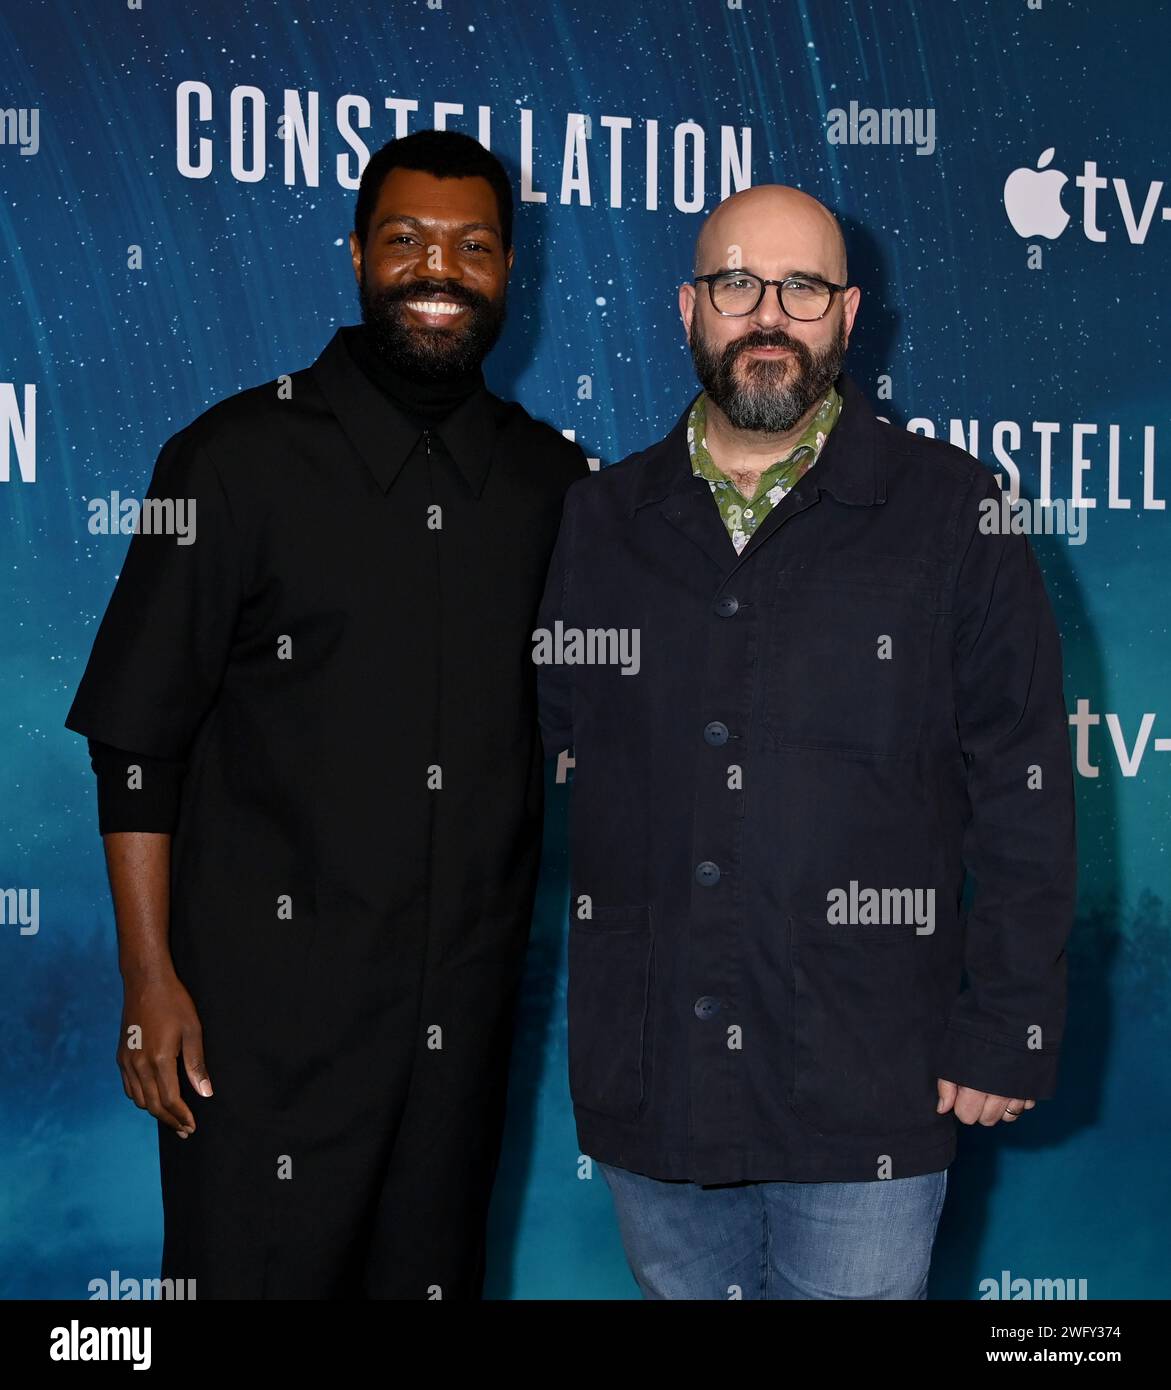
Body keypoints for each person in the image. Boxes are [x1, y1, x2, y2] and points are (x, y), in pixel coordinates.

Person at [65, 129, 589, 1299]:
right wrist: (149, 983)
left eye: (472, 245)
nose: (436, 269)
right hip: (252, 1046)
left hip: (455, 1048)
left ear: (510, 271)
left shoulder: (560, 490)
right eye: (405, 240)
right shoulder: (225, 461)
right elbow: (135, 745)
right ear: (357, 254)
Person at [535, 183, 1076, 1300]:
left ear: (848, 311)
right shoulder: (600, 521)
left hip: (867, 1080)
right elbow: (537, 752)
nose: (767, 313)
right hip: (656, 1077)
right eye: (736, 284)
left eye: (802, 287)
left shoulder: (954, 511)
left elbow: (1023, 783)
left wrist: (1009, 1020)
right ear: (687, 308)